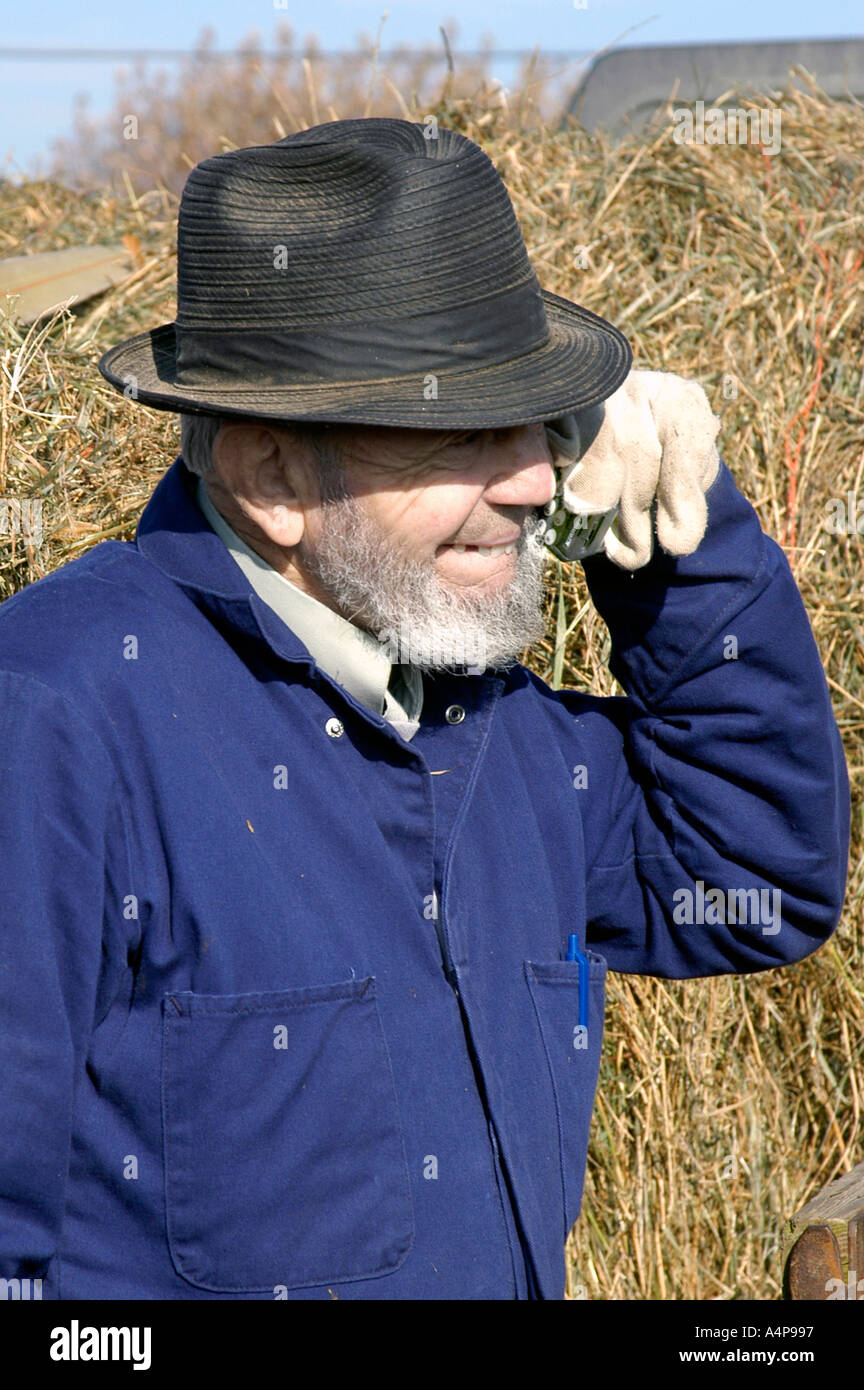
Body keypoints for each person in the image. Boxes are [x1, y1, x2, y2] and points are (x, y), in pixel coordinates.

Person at [0, 118, 849, 1301]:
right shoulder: (55, 717)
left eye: (544, 423)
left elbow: (754, 878)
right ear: (272, 478)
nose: (540, 482)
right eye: (467, 434)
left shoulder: (486, 726)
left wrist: (679, 548)